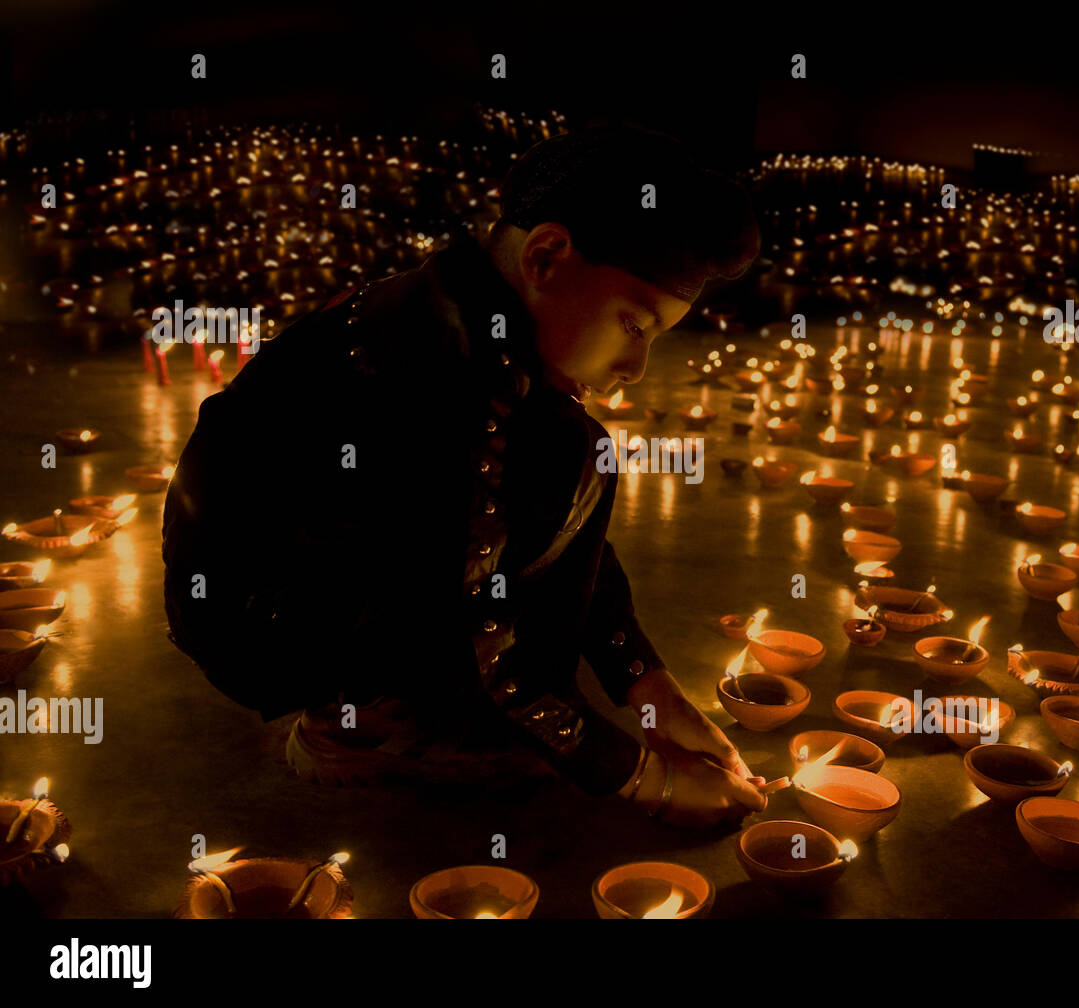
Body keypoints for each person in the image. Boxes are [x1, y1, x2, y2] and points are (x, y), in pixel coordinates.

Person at [162, 123, 766, 828]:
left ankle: (406, 702)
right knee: (564, 458)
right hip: (263, 622)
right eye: (634, 325)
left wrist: (651, 689)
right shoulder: (436, 376)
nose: (635, 368)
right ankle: (374, 723)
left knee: (565, 460)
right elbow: (471, 637)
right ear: (547, 255)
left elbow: (556, 554)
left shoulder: (460, 301)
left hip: (302, 588)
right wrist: (643, 780)